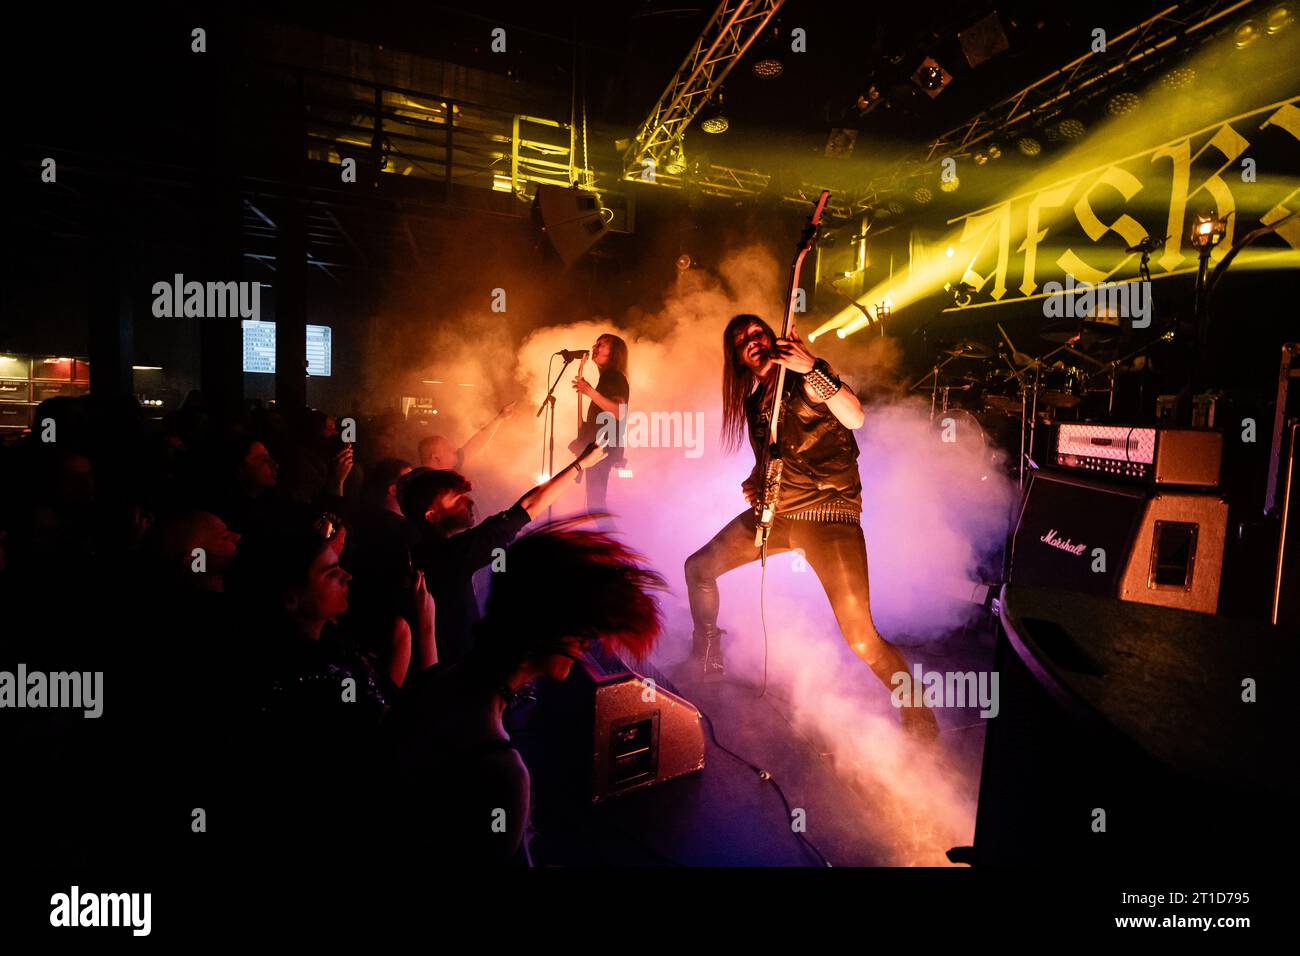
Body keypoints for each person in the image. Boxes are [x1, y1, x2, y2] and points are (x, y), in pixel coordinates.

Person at [683, 314, 939, 740]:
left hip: (827, 515)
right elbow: (775, 456)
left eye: (758, 332)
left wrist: (815, 369)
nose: (753, 340)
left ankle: (915, 707)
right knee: (699, 567)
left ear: (772, 337)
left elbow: (854, 417)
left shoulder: (806, 377)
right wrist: (756, 480)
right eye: (742, 339)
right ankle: (707, 655)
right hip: (779, 517)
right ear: (737, 357)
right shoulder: (754, 401)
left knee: (860, 638)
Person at [384, 518, 666, 865]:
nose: (585, 644)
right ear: (542, 629)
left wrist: (426, 626)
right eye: (580, 632)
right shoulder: (502, 770)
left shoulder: (440, 683)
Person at [400, 440, 608, 666]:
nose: (469, 502)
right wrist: (580, 464)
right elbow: (526, 508)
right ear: (431, 515)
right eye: (458, 499)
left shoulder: (426, 551)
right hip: (452, 681)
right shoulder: (451, 555)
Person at [571, 333, 629, 526]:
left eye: (601, 345)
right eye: (595, 343)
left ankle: (615, 549)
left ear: (614, 353)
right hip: (597, 448)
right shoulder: (606, 379)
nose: (594, 347)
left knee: (596, 505)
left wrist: (589, 391)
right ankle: (612, 548)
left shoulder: (615, 377)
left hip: (601, 450)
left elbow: (619, 412)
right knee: (595, 505)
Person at [417, 402, 516, 474]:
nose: (455, 450)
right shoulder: (425, 487)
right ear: (436, 457)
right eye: (449, 450)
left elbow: (475, 444)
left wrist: (500, 418)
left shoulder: (449, 470)